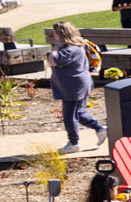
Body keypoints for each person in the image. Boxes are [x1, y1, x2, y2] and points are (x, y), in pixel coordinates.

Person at [45, 22, 107, 154]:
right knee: (79, 112)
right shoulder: (75, 47)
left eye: (54, 33)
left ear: (60, 35)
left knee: (69, 116)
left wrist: (56, 46)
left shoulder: (70, 49)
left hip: (73, 86)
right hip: (76, 84)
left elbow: (53, 60)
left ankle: (73, 143)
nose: (53, 36)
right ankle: (100, 129)